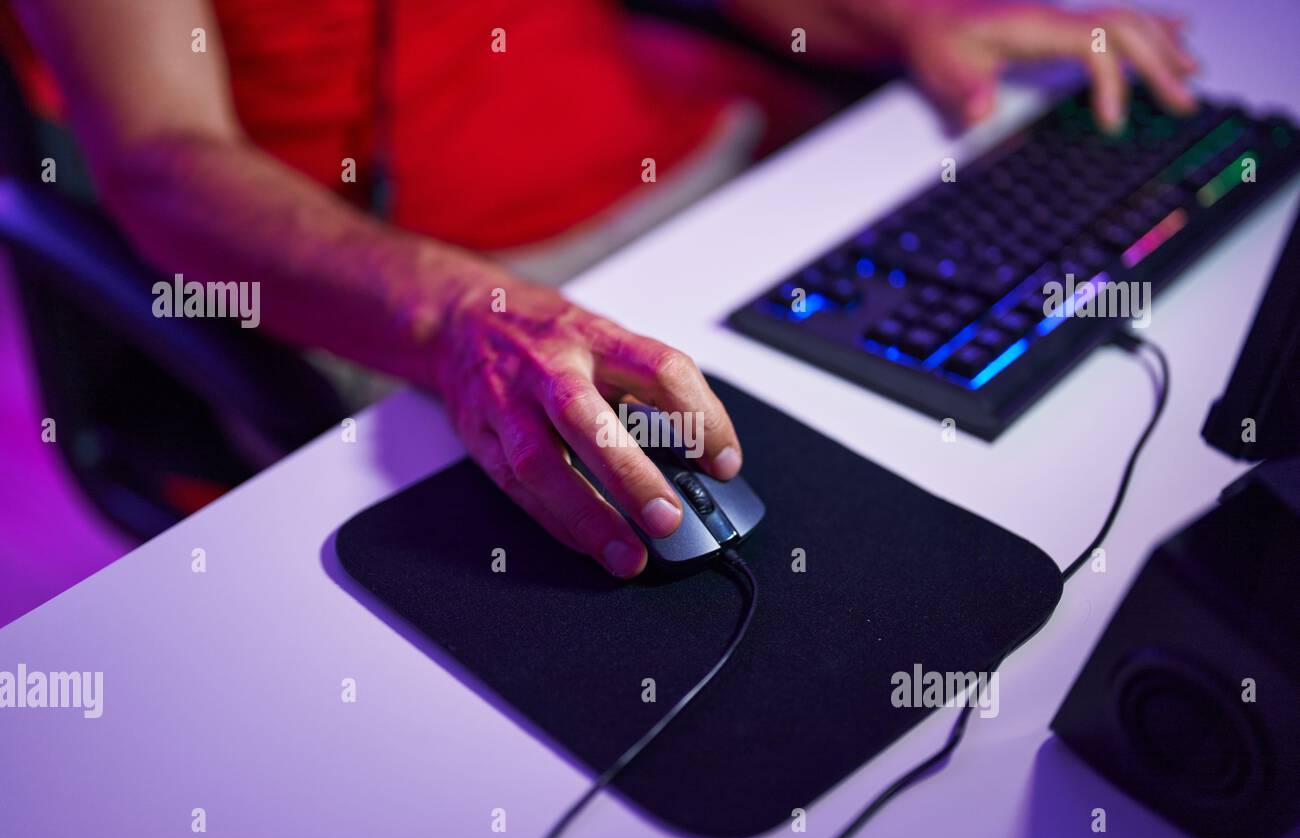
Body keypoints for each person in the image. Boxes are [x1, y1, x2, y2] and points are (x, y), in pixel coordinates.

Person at [8, 0, 1196, 577]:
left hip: (705, 161)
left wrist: (908, 19)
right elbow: (161, 154)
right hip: (402, 289)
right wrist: (454, 312)